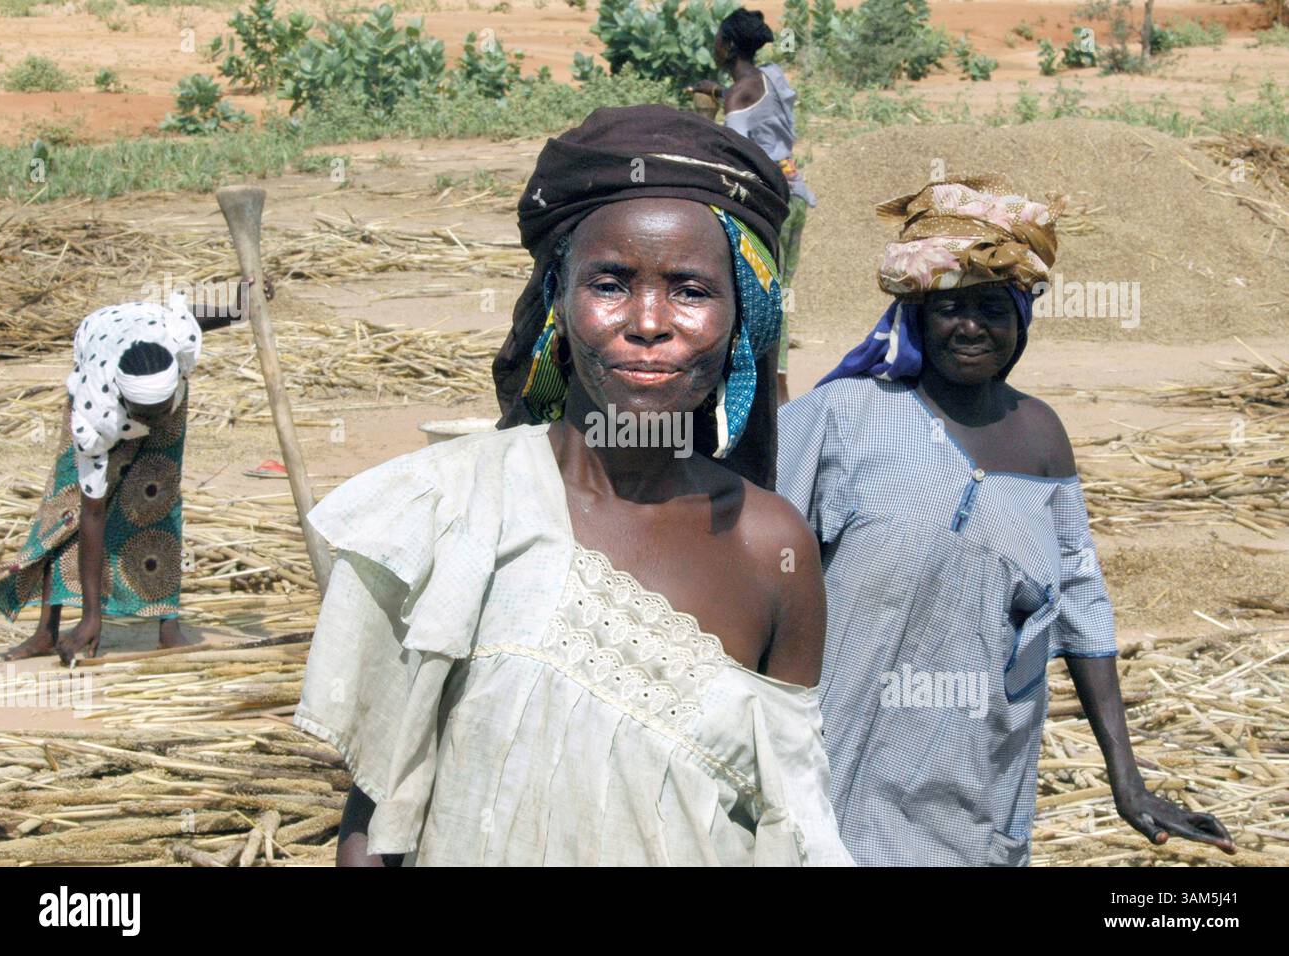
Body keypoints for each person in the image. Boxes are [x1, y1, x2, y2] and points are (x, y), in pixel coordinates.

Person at [294, 105, 852, 866]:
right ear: (559, 298)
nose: (649, 322)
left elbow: (796, 826)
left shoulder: (772, 550)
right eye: (612, 284)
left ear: (741, 317)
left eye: (690, 290)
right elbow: (379, 811)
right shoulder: (457, 506)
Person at [776, 176, 1234, 865]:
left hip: (974, 766)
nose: (969, 327)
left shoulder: (1042, 436)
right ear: (915, 318)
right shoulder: (844, 415)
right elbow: (758, 554)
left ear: (1021, 318)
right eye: (948, 307)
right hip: (840, 751)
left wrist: (1127, 781)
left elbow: (1081, 599)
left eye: (991, 307)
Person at [0, 278, 272, 663]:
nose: (152, 425)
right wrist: (91, 619)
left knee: (157, 499)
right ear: (124, 403)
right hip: (100, 345)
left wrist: (244, 301)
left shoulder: (175, 346)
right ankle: (47, 631)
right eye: (145, 417)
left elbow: (192, 319)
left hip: (150, 349)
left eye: (160, 413)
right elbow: (92, 511)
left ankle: (167, 627)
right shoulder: (94, 413)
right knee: (67, 506)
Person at [689, 8, 817, 404]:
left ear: (726, 45)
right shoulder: (771, 77)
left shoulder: (738, 94)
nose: (714, 46)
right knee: (780, 290)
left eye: (717, 40)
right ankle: (774, 388)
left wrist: (706, 117)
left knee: (755, 289)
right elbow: (765, 123)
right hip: (794, 193)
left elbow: (735, 154)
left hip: (767, 200)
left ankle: (770, 395)